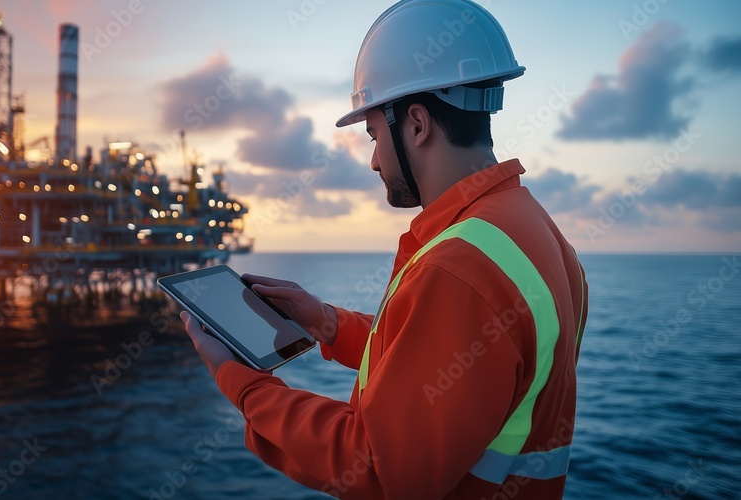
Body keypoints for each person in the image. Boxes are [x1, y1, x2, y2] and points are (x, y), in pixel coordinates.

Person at [180, 0, 588, 497]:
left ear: (417, 124)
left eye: (373, 134)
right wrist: (330, 324)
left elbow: (376, 468)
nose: (374, 161)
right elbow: (451, 366)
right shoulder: (536, 233)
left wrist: (241, 382)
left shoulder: (458, 268)